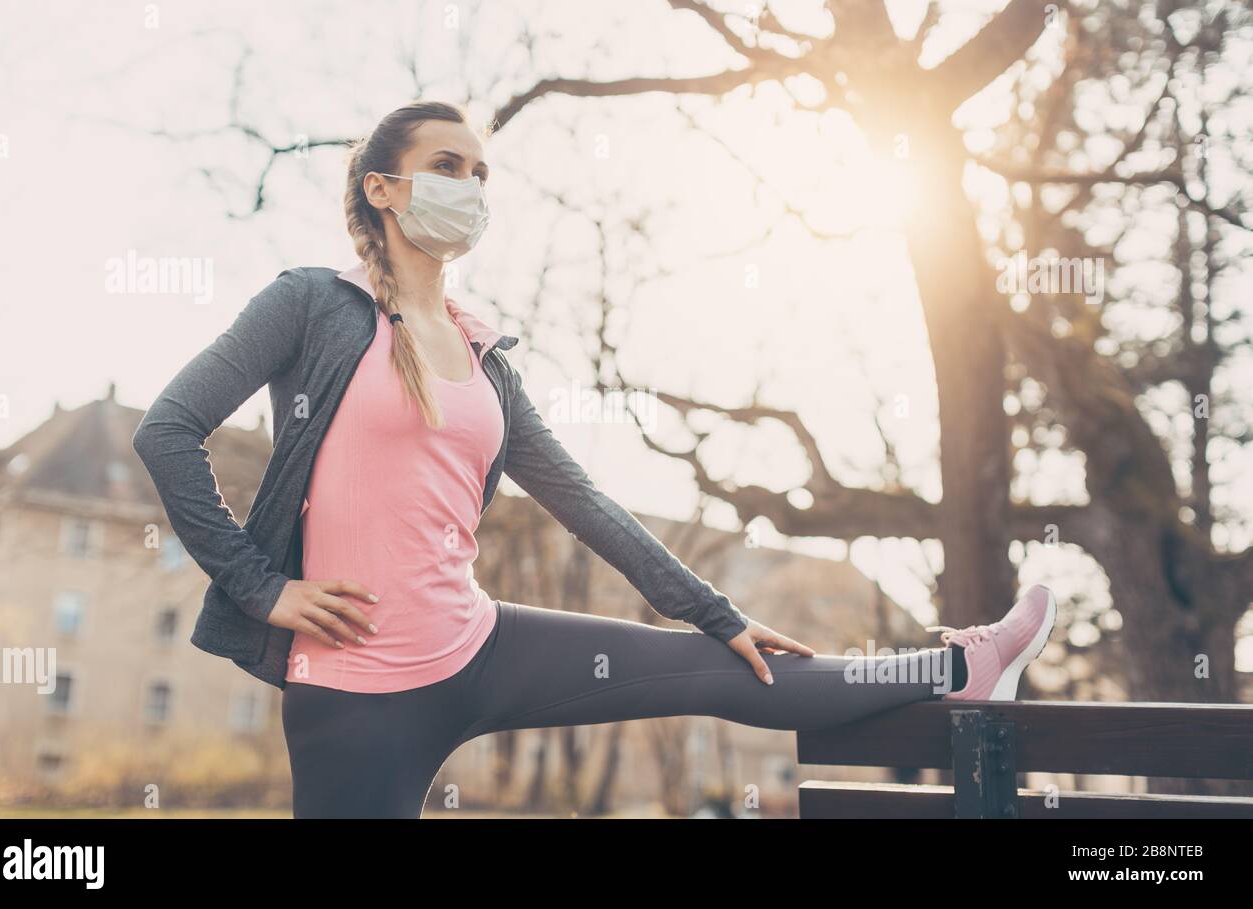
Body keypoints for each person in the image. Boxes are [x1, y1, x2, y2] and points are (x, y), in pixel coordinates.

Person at [132, 100, 1058, 819]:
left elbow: (585, 501)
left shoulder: (486, 358)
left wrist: (717, 611)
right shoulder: (312, 306)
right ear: (382, 188)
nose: (470, 185)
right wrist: (262, 589)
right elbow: (167, 430)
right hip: (354, 689)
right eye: (445, 166)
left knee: (736, 670)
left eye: (482, 172)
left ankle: (959, 667)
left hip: (480, 646)